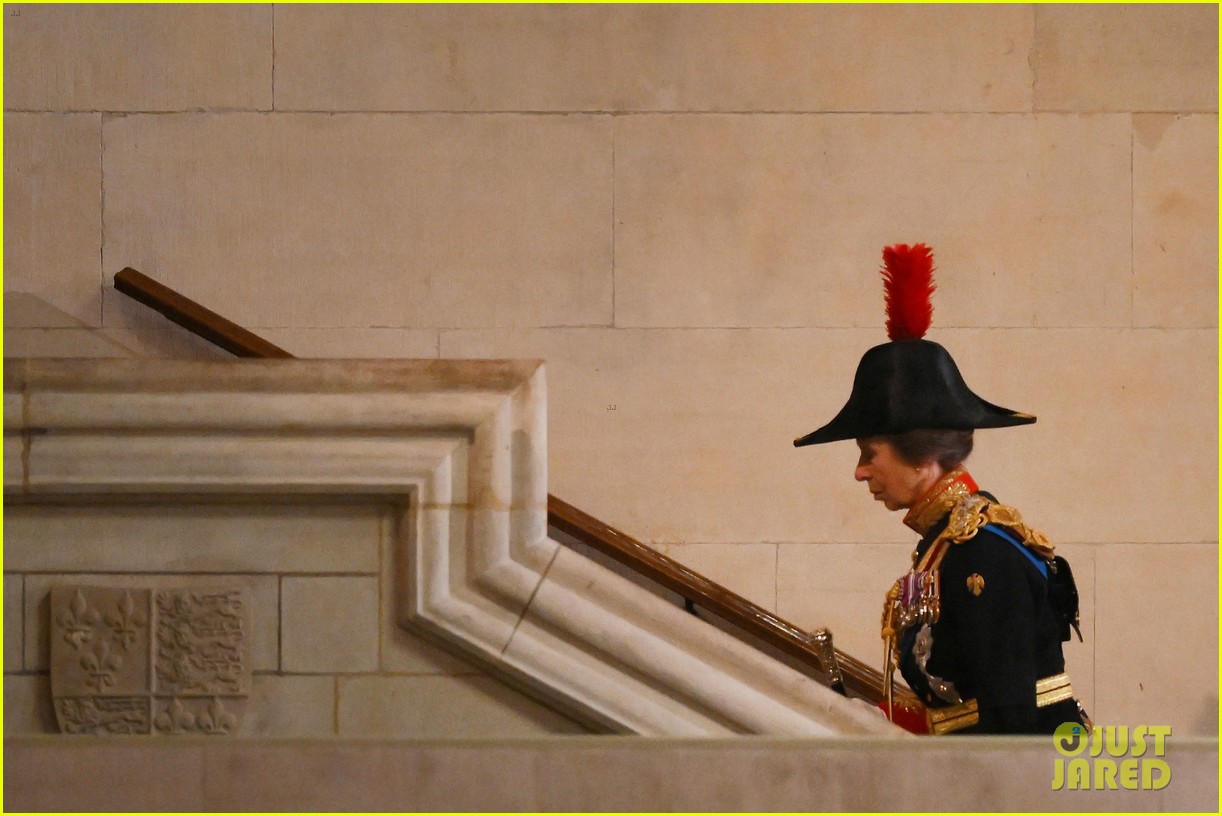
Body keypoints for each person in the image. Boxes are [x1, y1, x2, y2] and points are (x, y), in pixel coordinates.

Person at [794, 243, 1089, 735]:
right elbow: (960, 707)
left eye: (870, 452)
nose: (860, 472)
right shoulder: (946, 544)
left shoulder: (983, 554)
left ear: (922, 454)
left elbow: (1007, 724)